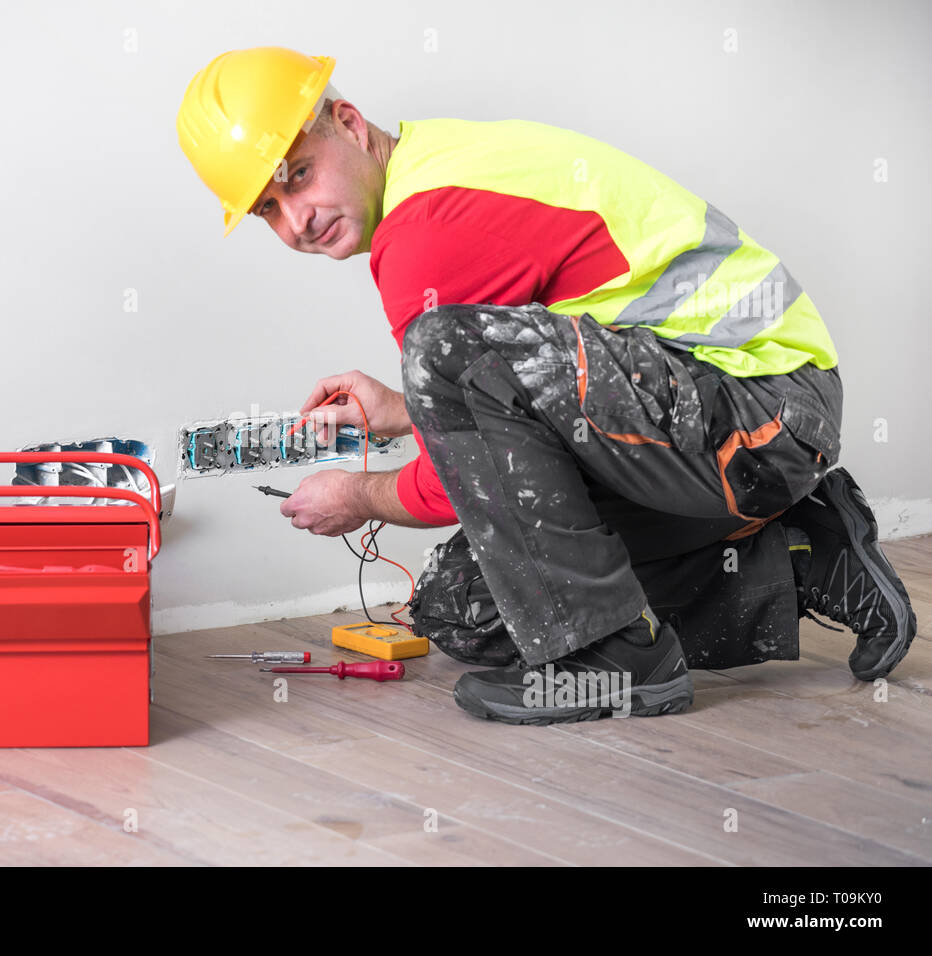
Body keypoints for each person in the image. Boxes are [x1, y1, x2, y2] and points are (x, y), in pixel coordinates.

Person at [176, 47, 917, 724]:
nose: (296, 220)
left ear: (348, 124)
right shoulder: (434, 157)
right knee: (467, 609)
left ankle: (623, 659)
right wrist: (402, 412)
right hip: (698, 421)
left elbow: (448, 483)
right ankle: (802, 556)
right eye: (268, 210)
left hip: (765, 407)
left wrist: (358, 496)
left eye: (297, 176)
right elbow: (515, 405)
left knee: (443, 349)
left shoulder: (426, 226)